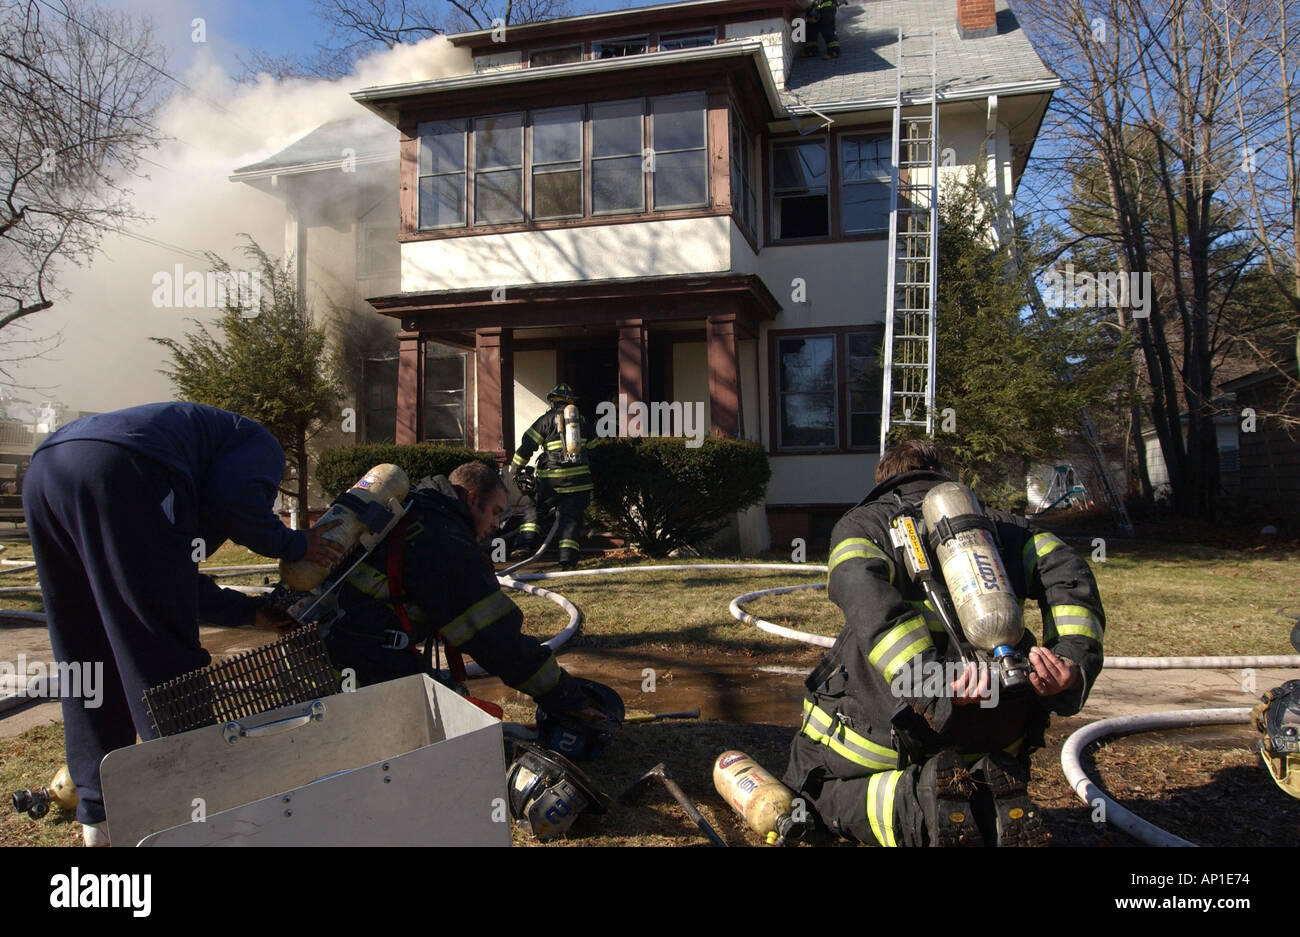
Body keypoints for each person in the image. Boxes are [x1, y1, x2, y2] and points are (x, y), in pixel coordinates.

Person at [21, 402, 342, 846]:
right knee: (162, 656)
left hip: (47, 470)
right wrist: (292, 543)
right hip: (123, 468)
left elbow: (160, 582)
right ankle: (200, 809)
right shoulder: (261, 444)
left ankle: (98, 819)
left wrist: (249, 612)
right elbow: (235, 501)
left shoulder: (193, 448)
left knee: (84, 649)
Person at [782, 438, 1105, 846]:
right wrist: (1070, 663)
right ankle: (989, 799)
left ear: (885, 480)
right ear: (940, 473)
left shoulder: (861, 526)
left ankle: (919, 805)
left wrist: (935, 684)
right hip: (1000, 722)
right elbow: (1069, 572)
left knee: (813, 789)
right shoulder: (1003, 528)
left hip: (904, 735)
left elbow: (871, 609)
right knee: (985, 767)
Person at [323, 461, 611, 731]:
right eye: (496, 512)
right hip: (362, 665)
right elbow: (497, 640)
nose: (498, 524)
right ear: (473, 499)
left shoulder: (417, 509)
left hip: (331, 644)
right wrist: (568, 698)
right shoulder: (446, 543)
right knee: (443, 736)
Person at [509, 383, 593, 569]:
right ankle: (567, 561)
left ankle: (524, 546)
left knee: (534, 509)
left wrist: (516, 468)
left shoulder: (544, 420)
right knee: (570, 521)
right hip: (578, 484)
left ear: (553, 402)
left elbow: (527, 446)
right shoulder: (584, 422)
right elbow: (594, 446)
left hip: (550, 481)